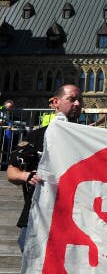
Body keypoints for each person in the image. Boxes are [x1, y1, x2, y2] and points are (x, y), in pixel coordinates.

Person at [7, 84, 83, 251]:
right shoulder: (37, 135)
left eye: (80, 100)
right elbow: (12, 171)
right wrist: (25, 176)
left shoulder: (89, 139)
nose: (77, 104)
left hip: (75, 217)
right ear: (56, 102)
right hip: (37, 213)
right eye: (71, 99)